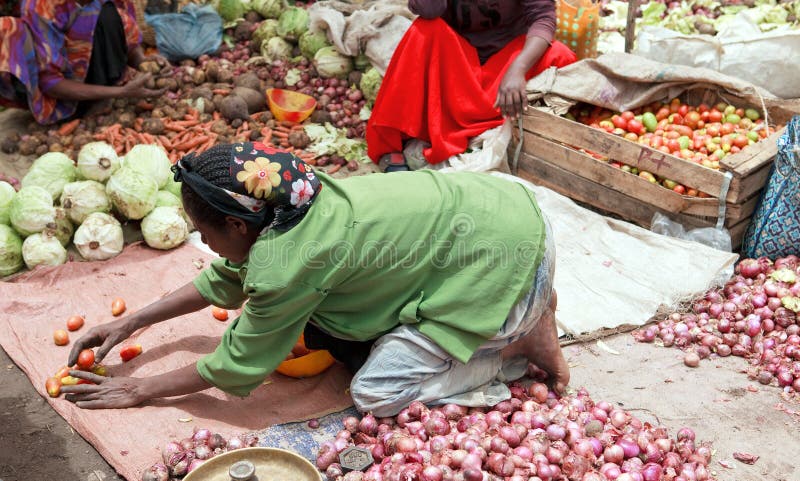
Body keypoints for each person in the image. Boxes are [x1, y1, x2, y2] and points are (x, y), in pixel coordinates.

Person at [61, 143, 570, 416]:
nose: (207, 246)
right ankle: (524, 309)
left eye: (206, 234)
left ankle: (512, 344)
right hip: (509, 209)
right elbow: (228, 278)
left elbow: (237, 364)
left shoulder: (286, 265)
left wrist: (143, 391)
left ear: (238, 224)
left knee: (376, 393)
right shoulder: (294, 198)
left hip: (504, 262)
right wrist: (133, 323)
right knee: (337, 330)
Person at [367, 0, 578, 172]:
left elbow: (543, 19)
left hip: (506, 65)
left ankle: (488, 125)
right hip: (457, 65)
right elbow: (428, 10)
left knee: (561, 56)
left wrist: (519, 68)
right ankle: (390, 145)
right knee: (424, 29)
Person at [0, 0, 165, 125]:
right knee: (8, 30)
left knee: (107, 11)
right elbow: (50, 84)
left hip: (92, 72)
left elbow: (128, 36)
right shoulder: (40, 6)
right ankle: (82, 107)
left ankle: (101, 93)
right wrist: (120, 92)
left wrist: (144, 62)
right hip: (54, 92)